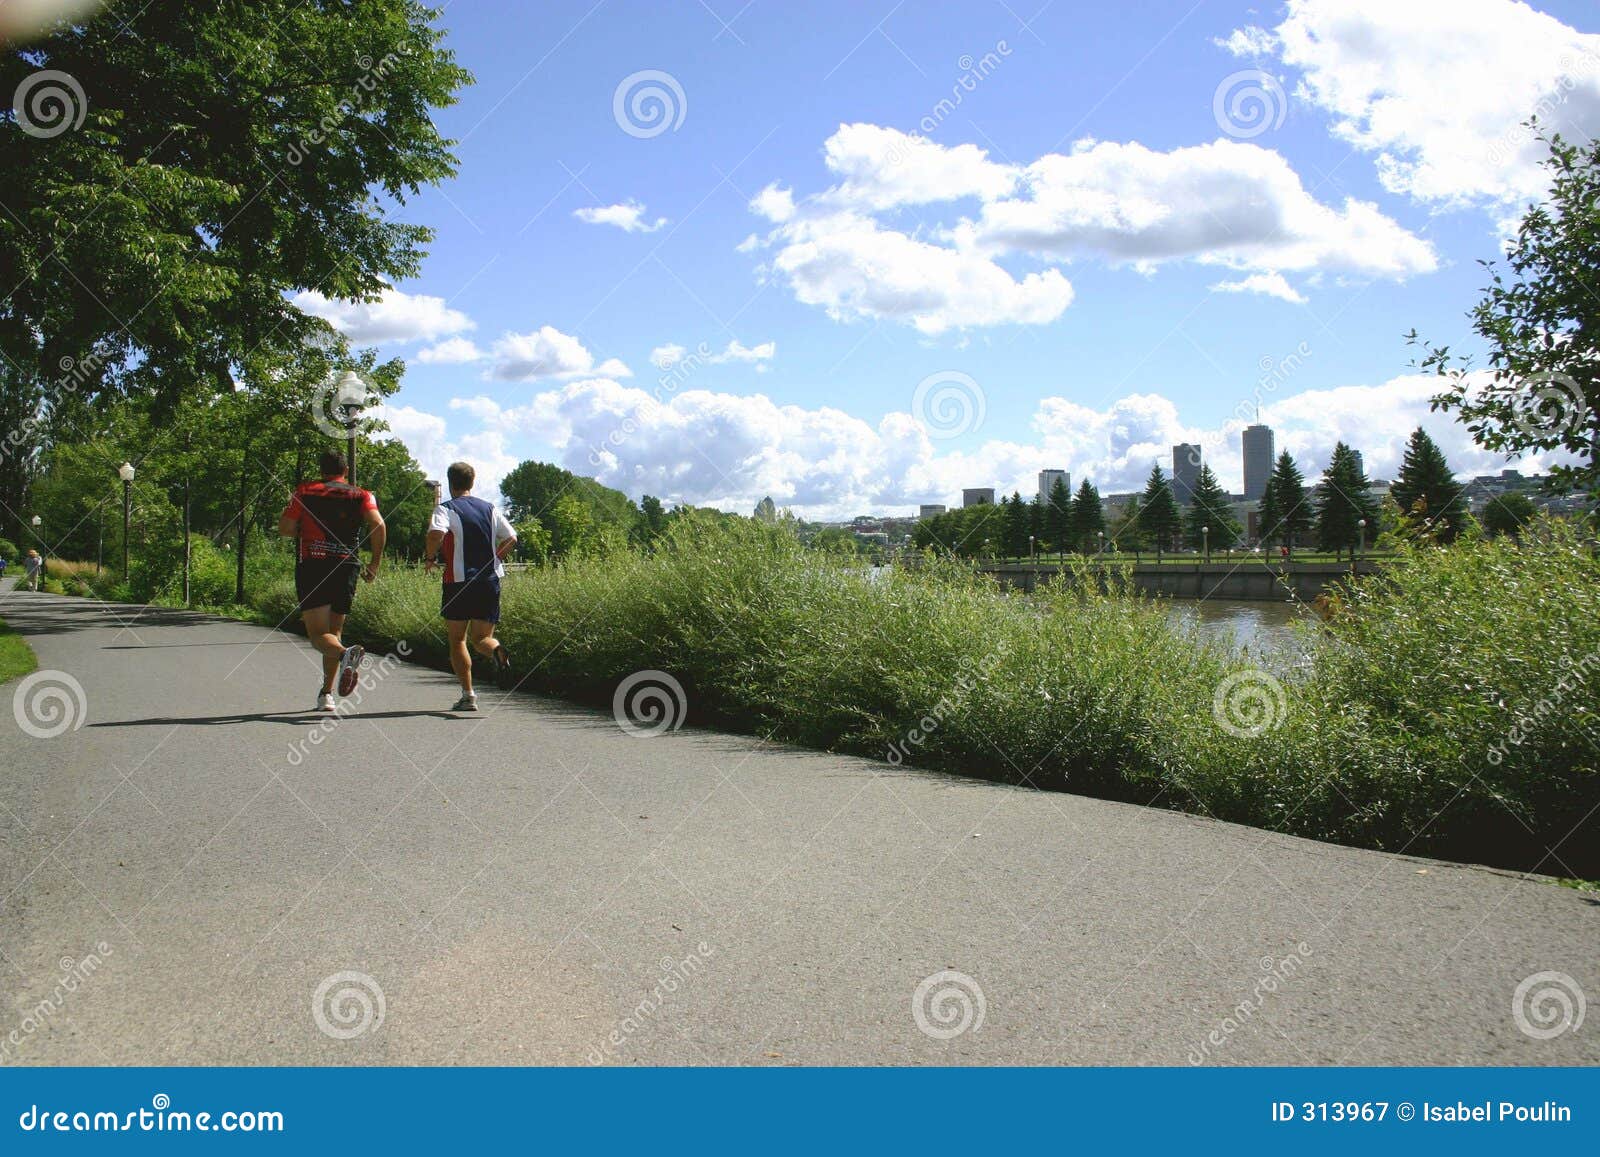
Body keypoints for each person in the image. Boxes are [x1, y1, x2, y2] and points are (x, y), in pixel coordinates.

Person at [278, 450, 386, 713]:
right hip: (347, 565)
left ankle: (342, 658)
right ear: (345, 470)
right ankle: (326, 694)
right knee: (334, 633)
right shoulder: (362, 495)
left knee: (317, 635)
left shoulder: (304, 491)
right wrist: (374, 563)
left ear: (321, 469)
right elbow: (378, 525)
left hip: (314, 563)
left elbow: (286, 529)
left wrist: (303, 529)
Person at [424, 461, 516, 712]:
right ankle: (497, 651)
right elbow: (511, 537)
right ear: (472, 482)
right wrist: (496, 558)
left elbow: (435, 534)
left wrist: (430, 558)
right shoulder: (489, 508)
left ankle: (468, 695)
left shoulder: (445, 509)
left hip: (458, 582)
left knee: (457, 640)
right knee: (482, 638)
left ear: (450, 482)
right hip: (489, 581)